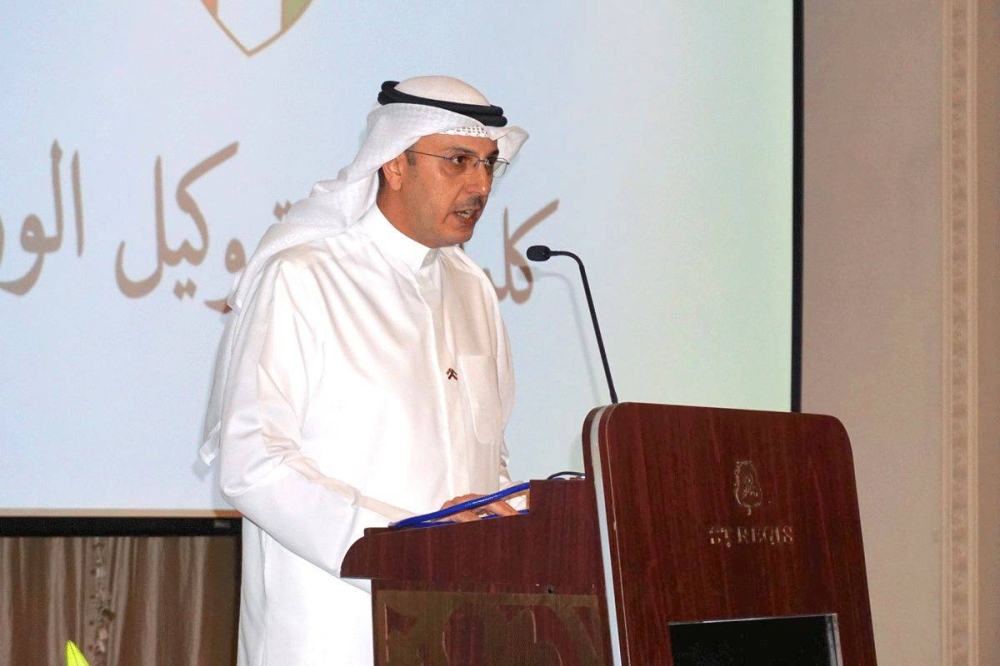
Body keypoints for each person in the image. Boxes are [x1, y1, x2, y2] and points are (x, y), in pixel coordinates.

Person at [199, 76, 529, 666]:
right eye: (458, 161)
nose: (480, 185)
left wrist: (504, 519)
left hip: (456, 630)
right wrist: (407, 546)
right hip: (331, 627)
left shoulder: (474, 289)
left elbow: (488, 456)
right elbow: (252, 463)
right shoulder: (304, 277)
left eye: (488, 164)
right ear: (394, 164)